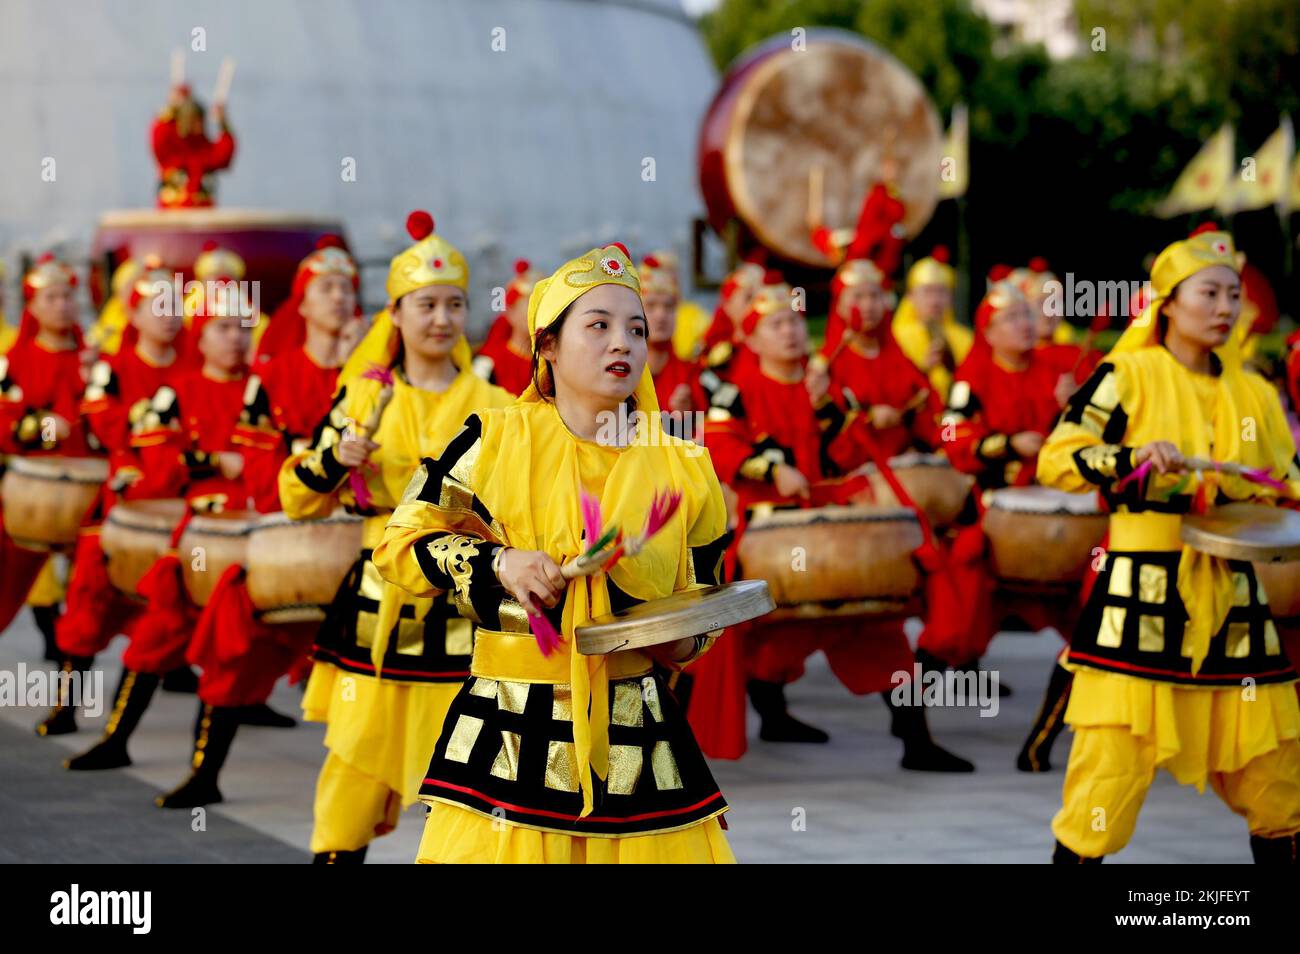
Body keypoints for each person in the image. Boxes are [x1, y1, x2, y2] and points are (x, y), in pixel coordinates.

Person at [375, 242, 736, 863]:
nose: (621, 343)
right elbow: (398, 542)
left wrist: (674, 640)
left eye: (636, 329)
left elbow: (704, 606)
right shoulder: (491, 440)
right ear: (547, 346)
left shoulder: (686, 467)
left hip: (636, 738)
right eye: (597, 326)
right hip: (510, 728)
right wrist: (497, 563)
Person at [1039, 226, 1300, 864]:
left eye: (1233, 295)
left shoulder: (1254, 392)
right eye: (1208, 293)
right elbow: (1058, 458)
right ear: (1167, 302)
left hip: (1232, 595)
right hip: (1141, 593)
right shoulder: (1124, 375)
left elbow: (1282, 479)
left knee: (1274, 764)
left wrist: (1270, 487)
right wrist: (1131, 457)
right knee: (1110, 763)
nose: (1224, 308)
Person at [280, 211, 512, 862]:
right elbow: (296, 495)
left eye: (454, 305)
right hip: (378, 605)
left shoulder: (495, 403)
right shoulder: (363, 396)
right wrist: (337, 459)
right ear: (398, 314)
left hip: (465, 605)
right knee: (355, 765)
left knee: (471, 771)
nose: (441, 319)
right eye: (426, 305)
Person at [685, 270, 971, 771]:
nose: (791, 331)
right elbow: (721, 450)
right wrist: (773, 468)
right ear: (750, 337)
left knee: (878, 626)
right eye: (774, 325)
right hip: (768, 528)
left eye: (794, 321)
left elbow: (847, 452)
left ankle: (915, 739)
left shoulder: (828, 387)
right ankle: (750, 720)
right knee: (751, 638)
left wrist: (824, 407)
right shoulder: (735, 391)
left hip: (829, 529)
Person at [60, 292, 252, 772]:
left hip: (254, 540)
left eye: (242, 327)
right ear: (201, 337)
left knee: (232, 647)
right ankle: (106, 730)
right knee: (146, 626)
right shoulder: (172, 393)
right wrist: (211, 462)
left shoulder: (260, 388)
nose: (236, 338)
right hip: (189, 541)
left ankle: (205, 774)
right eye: (223, 328)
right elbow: (155, 469)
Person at [38, 265, 186, 738]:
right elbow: (104, 429)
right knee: (88, 602)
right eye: (156, 307)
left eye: (174, 307)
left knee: (162, 615)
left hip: (178, 511)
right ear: (134, 314)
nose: (168, 317)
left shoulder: (194, 368)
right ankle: (67, 705)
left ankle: (120, 731)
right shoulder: (114, 368)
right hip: (121, 509)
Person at [917, 276, 1070, 684]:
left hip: (1051, 505)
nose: (1025, 324)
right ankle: (928, 678)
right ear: (988, 332)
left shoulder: (1056, 372)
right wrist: (1004, 444)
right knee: (964, 589)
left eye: (1026, 314)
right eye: (1011, 318)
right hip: (987, 506)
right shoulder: (973, 379)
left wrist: (1070, 407)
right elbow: (950, 436)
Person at [891, 247, 972, 402]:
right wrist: (922, 369)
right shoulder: (895, 337)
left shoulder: (966, 338)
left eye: (941, 292)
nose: (935, 300)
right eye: (928, 292)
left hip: (951, 421)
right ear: (911, 296)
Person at [640, 254, 706, 437]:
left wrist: (686, 419)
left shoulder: (691, 374)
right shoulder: (622, 370)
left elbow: (703, 444)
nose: (661, 315)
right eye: (651, 306)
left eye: (669, 307)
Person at [151, 83, 236, 208]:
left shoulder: (205, 147)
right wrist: (172, 106)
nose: (199, 125)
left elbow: (224, 155)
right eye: (193, 120)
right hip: (172, 210)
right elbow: (159, 135)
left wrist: (222, 122)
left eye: (201, 120)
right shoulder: (172, 146)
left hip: (203, 211)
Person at [472, 259, 537, 396]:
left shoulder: (552, 361)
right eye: (531, 306)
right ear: (511, 312)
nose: (539, 313)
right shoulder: (488, 363)